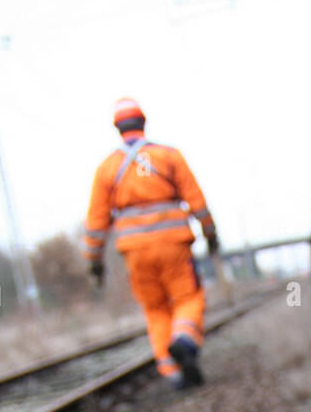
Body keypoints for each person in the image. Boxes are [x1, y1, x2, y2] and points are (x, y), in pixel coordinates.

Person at [84, 97, 219, 388]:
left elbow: (95, 224)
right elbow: (197, 202)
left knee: (156, 309)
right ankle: (184, 340)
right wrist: (211, 234)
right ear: (143, 122)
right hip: (174, 245)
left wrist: (94, 263)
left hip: (134, 253)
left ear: (117, 128)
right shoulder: (168, 156)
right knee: (187, 298)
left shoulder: (107, 168)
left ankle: (174, 375)